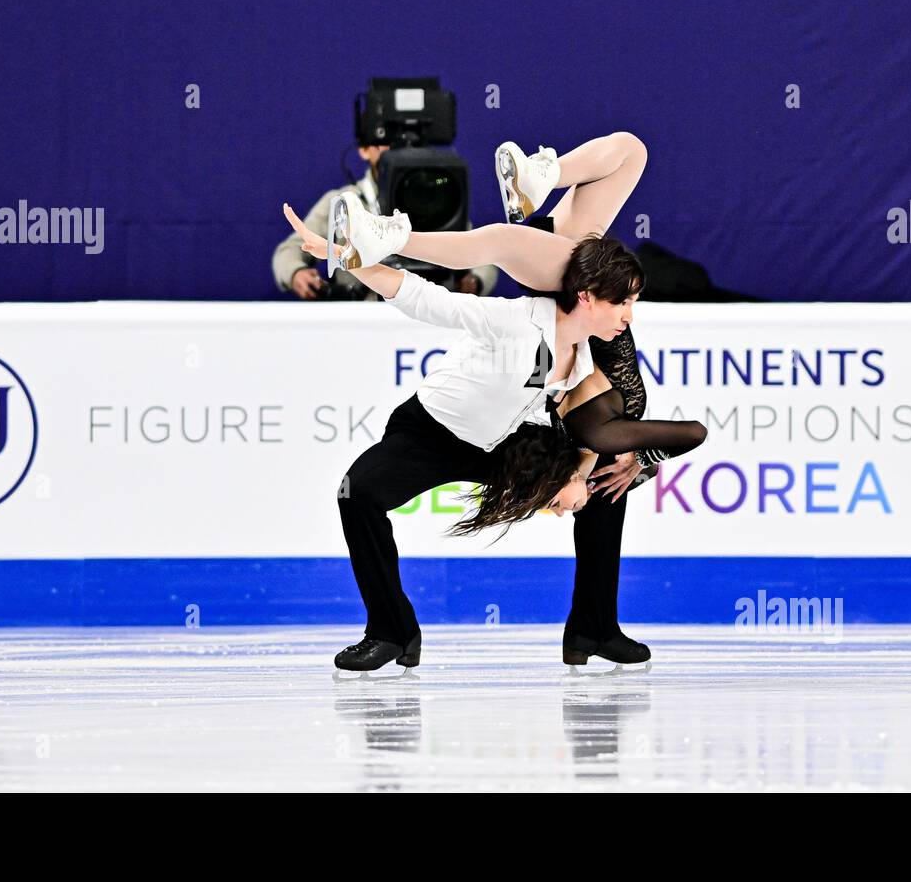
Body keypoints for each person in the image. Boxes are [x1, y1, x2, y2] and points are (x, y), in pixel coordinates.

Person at [282, 201, 706, 673]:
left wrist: (578, 476)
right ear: (586, 297)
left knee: (610, 480)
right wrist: (346, 257)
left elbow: (581, 428)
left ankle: (595, 626)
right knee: (357, 493)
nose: (629, 316)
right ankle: (391, 631)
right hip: (434, 432)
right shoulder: (516, 324)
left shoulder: (583, 357)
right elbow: (424, 298)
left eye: (633, 303)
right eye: (621, 303)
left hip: (508, 441)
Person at [273, 143, 498, 300]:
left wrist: (475, 280)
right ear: (363, 149)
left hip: (430, 312)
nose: (393, 150)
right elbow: (291, 250)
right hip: (362, 316)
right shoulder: (343, 202)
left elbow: (479, 252)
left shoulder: (433, 197)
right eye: (384, 143)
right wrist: (296, 273)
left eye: (399, 144)